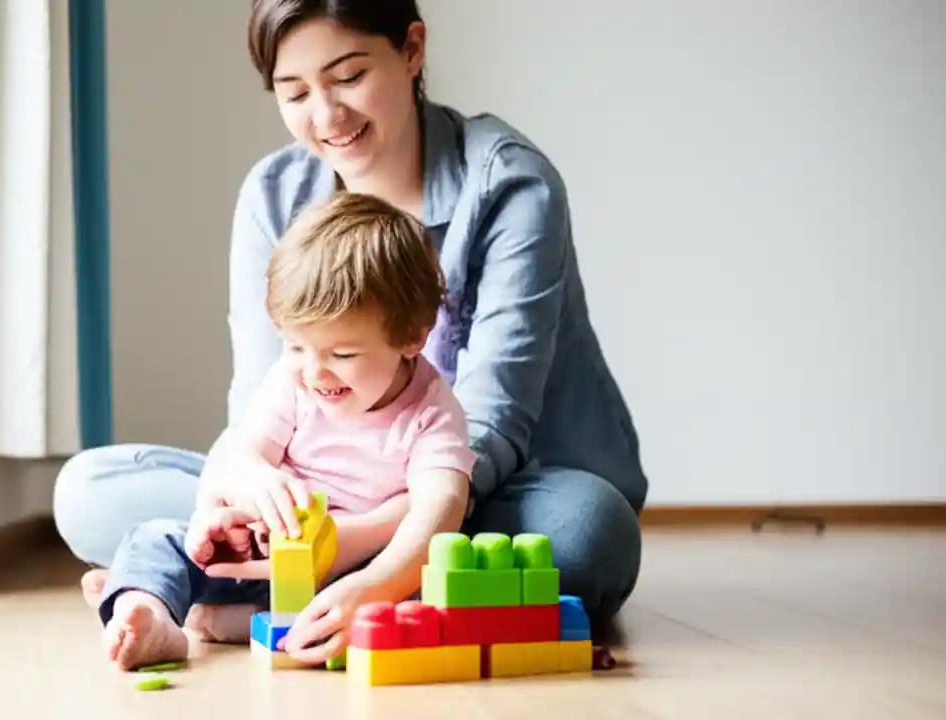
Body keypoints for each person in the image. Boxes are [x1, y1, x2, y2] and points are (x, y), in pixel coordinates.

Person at [55, 0, 647, 645]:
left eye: (348, 77)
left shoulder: (508, 183)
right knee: (87, 492)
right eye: (296, 91)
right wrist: (252, 487)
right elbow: (262, 396)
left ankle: (262, 585)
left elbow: (492, 421)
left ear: (412, 50)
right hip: (325, 492)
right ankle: (319, 582)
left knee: (588, 538)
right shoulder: (274, 192)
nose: (327, 115)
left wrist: (359, 537)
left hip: (491, 487)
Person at [100, 192, 475, 670]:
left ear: (412, 338)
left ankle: (225, 620)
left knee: (431, 588)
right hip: (271, 560)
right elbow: (241, 452)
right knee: (156, 540)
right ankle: (150, 614)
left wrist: (373, 583)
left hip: (361, 570)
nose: (313, 372)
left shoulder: (432, 412)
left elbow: (440, 507)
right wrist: (252, 486)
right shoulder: (291, 381)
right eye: (295, 346)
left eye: (341, 355)